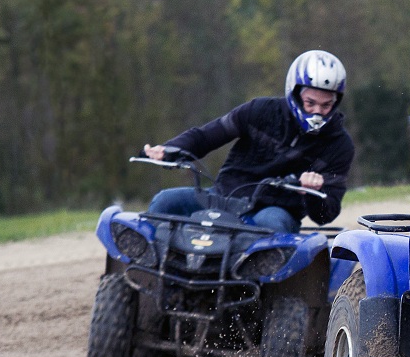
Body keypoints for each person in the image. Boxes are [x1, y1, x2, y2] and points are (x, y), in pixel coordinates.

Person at [143, 49, 354, 233]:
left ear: (336, 102)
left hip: (275, 210)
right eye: (310, 103)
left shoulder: (340, 146)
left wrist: (314, 193)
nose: (317, 112)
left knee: (272, 225)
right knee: (165, 202)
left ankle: (260, 280)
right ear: (295, 93)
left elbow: (326, 215)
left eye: (326, 106)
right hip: (223, 196)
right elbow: (206, 136)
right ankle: (146, 274)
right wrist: (170, 149)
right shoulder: (259, 111)